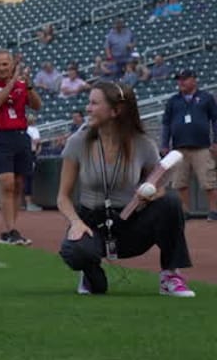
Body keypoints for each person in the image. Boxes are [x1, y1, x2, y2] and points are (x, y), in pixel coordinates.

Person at [57, 82, 196, 297]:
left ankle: (170, 274)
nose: (88, 108)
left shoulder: (143, 144)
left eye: (94, 103)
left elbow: (159, 186)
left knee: (170, 202)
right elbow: (63, 197)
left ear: (116, 110)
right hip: (92, 223)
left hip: (131, 221)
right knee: (76, 251)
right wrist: (75, 222)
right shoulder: (78, 142)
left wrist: (149, 194)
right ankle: (90, 272)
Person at [0, 50, 43, 245]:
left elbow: (37, 105)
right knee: (6, 182)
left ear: (11, 64)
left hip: (20, 136)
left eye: (5, 64)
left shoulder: (22, 84)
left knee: (17, 184)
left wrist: (28, 84)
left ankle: (12, 229)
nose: (1, 68)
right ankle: (10, 229)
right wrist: (14, 80)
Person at [160, 69, 217, 220]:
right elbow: (166, 124)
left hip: (202, 146)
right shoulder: (173, 100)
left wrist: (216, 141)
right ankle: (185, 212)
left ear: (194, 80)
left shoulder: (206, 98)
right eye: (179, 79)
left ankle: (214, 211)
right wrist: (164, 144)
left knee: (208, 181)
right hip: (179, 148)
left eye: (184, 79)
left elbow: (215, 120)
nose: (181, 82)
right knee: (180, 182)